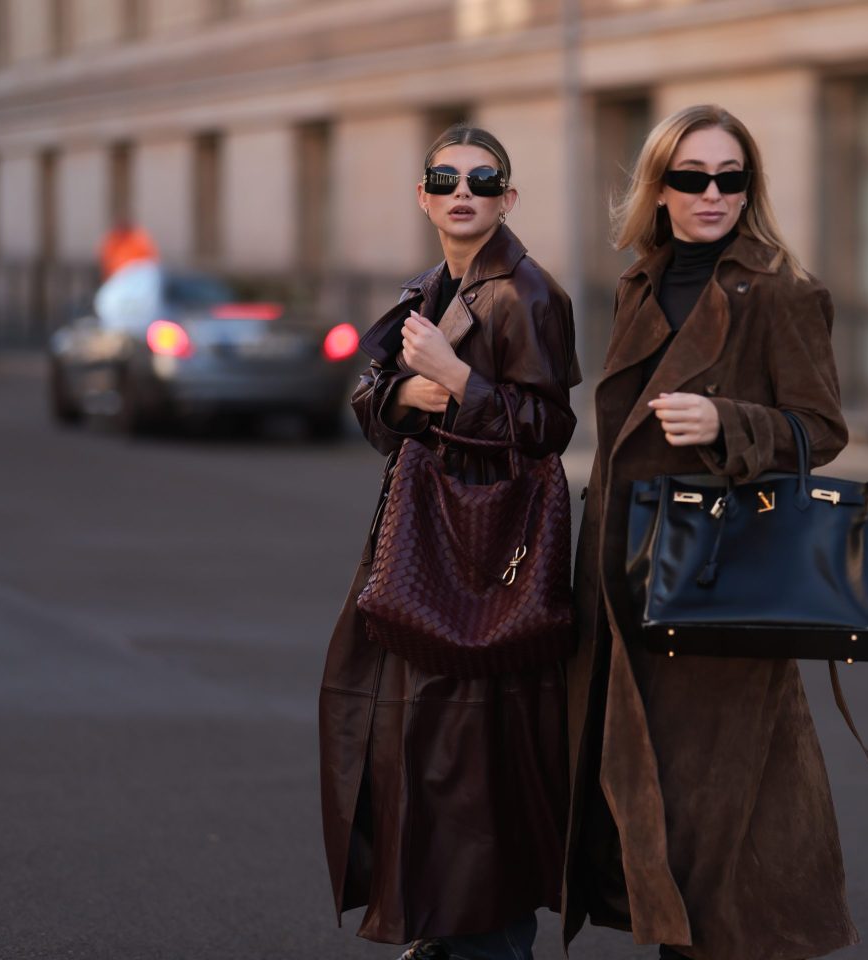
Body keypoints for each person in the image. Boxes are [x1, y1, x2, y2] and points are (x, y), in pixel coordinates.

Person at [562, 104, 868, 960]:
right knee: (643, 802)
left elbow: (821, 426)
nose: (713, 194)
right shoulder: (640, 282)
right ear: (658, 189)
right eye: (692, 177)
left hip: (713, 583)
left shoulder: (781, 291)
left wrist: (728, 422)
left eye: (732, 178)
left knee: (714, 823)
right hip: (625, 584)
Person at [318, 124, 581, 960]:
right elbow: (369, 398)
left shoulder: (528, 291)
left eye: (482, 179)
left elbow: (550, 429)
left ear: (507, 198)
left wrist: (461, 384)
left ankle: (487, 936)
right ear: (424, 197)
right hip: (423, 541)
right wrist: (409, 398)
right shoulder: (428, 287)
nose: (462, 191)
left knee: (476, 746)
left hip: (486, 556)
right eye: (445, 178)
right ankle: (442, 923)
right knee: (415, 742)